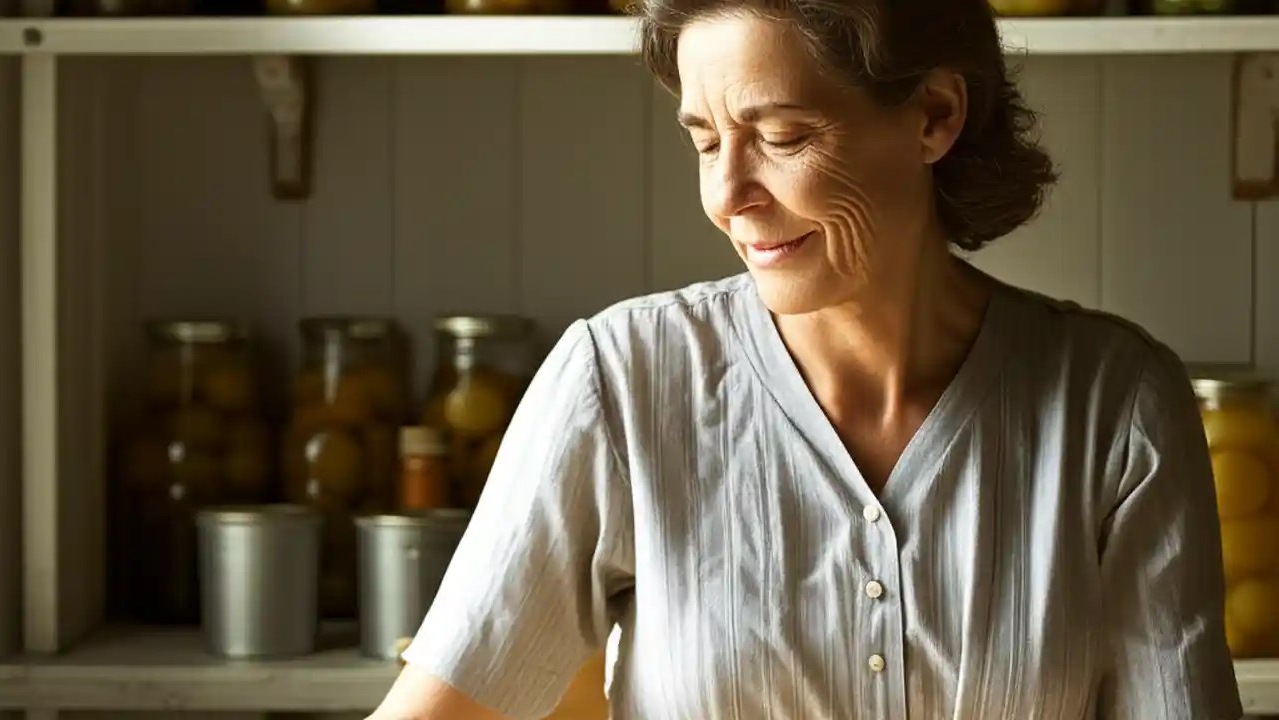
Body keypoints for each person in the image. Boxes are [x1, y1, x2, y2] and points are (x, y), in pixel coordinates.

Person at [369, 0, 1243, 717]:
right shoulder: (621, 379)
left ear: (936, 114)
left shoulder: (1118, 407)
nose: (727, 196)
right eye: (706, 141)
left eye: (782, 137)